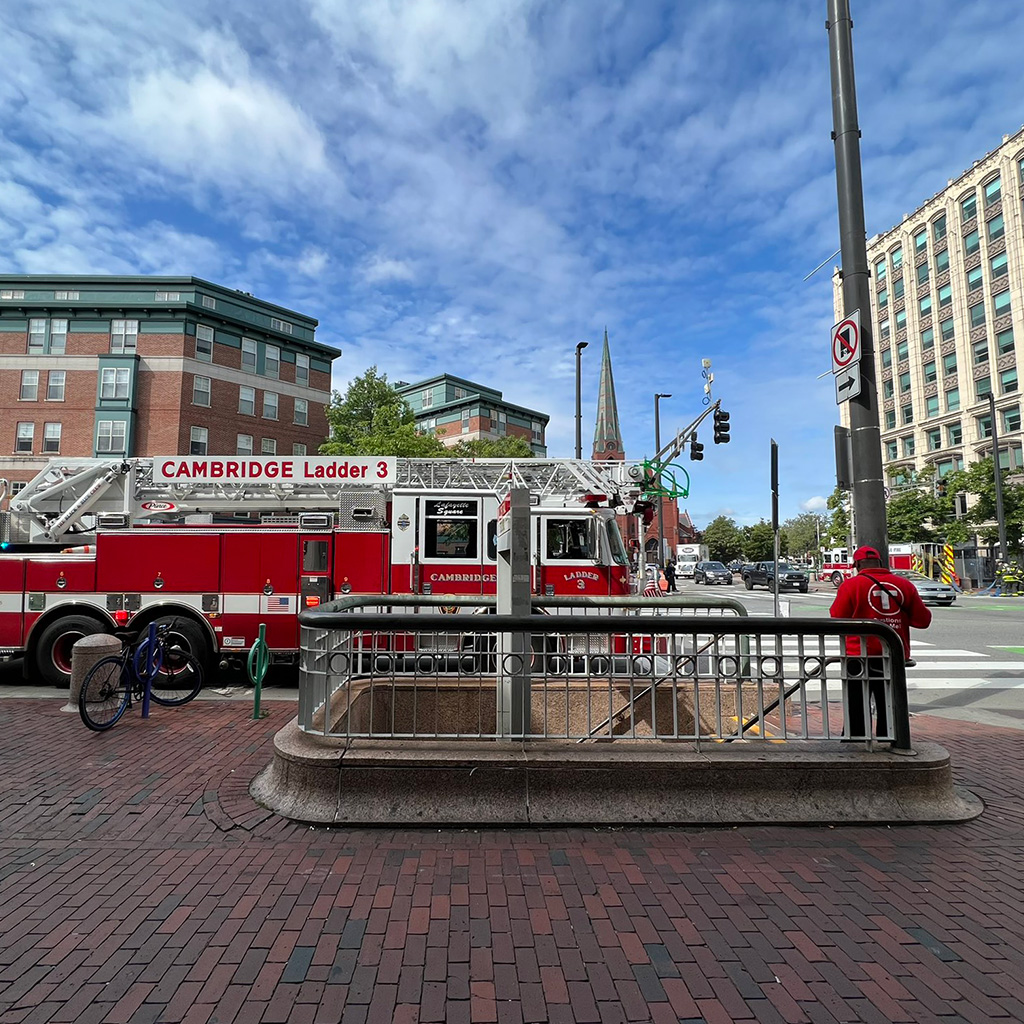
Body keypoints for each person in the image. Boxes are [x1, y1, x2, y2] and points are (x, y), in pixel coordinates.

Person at [829, 545, 932, 740]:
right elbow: (923, 620)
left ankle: (856, 742)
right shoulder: (904, 585)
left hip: (858, 656)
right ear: (881, 562)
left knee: (856, 704)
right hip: (893, 655)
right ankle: (892, 740)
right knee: (891, 704)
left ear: (857, 565)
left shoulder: (851, 585)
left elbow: (837, 617)